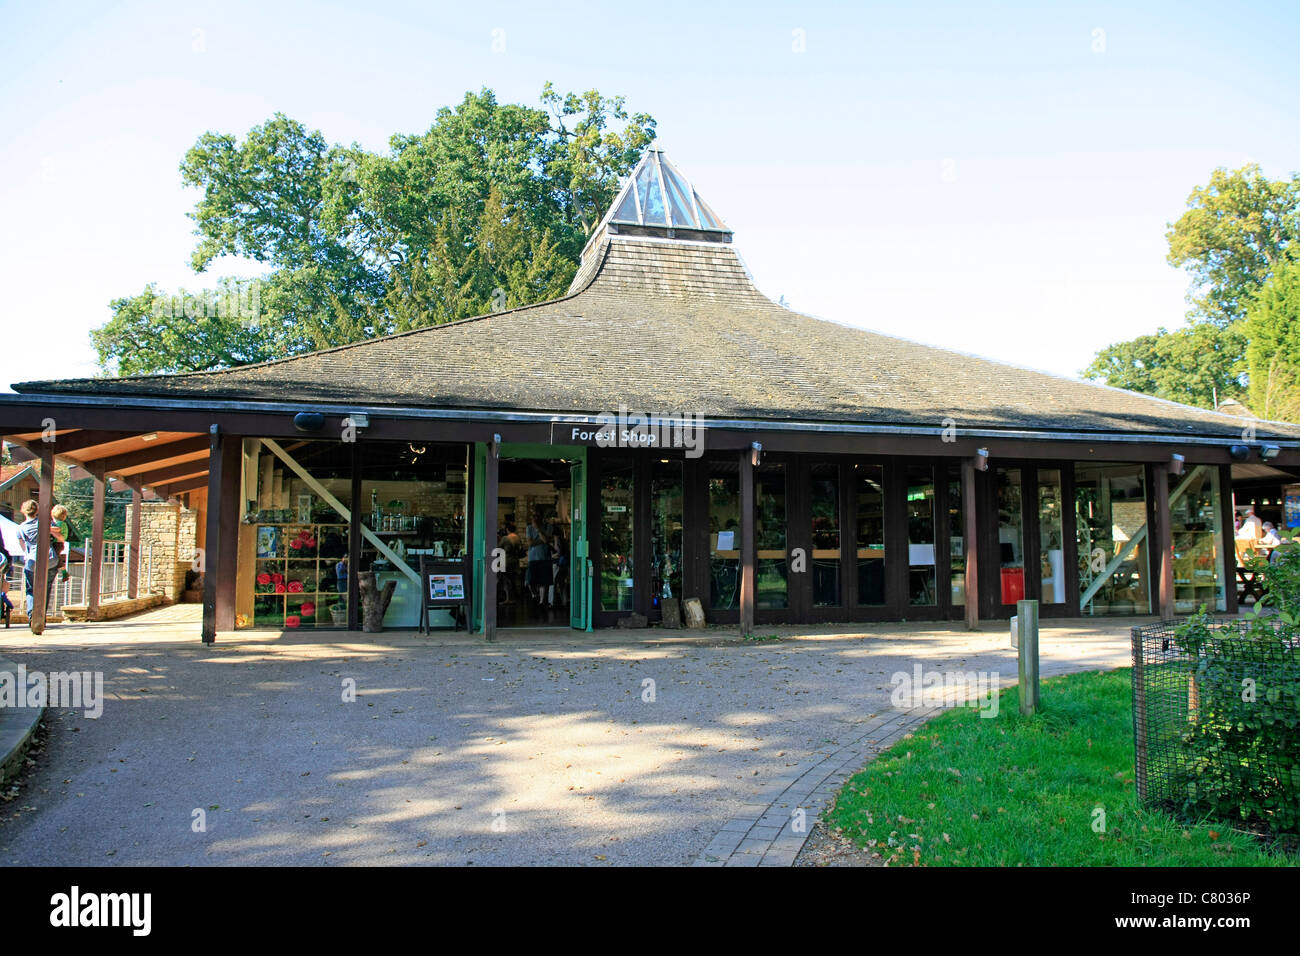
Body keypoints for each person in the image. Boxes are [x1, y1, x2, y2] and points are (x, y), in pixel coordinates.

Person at [16, 499, 62, 627]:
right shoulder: (45, 523)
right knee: (46, 589)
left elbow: (23, 547)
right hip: (50, 559)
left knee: (31, 590)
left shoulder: (20, 528)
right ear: (37, 511)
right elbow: (58, 533)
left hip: (31, 561)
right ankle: (41, 617)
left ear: (23, 511)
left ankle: (32, 616)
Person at [525, 509, 553, 610]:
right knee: (531, 580)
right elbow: (530, 543)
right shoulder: (528, 528)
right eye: (533, 516)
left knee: (544, 581)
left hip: (545, 557)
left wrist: (538, 529)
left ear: (541, 517)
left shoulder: (548, 526)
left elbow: (546, 540)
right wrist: (542, 539)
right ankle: (535, 595)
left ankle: (542, 601)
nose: (535, 518)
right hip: (533, 558)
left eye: (537, 516)